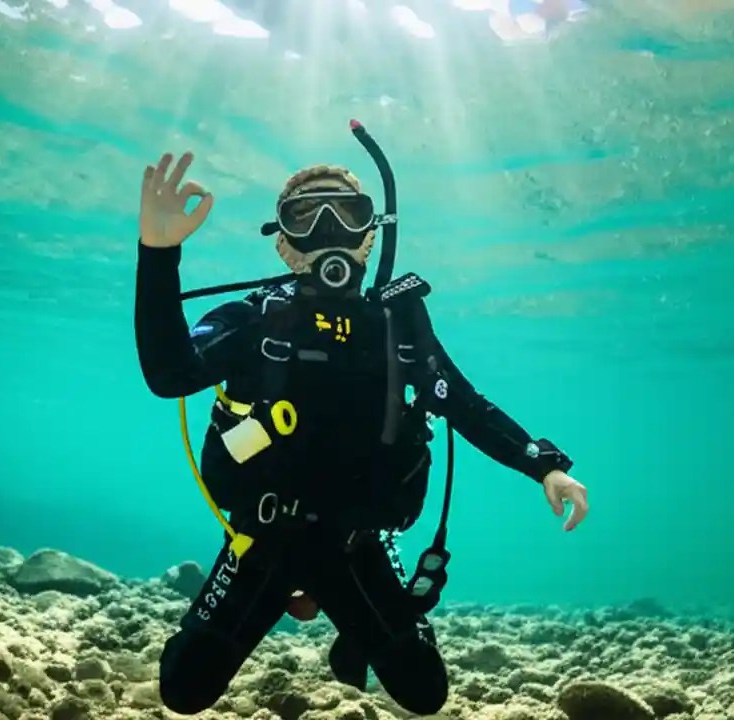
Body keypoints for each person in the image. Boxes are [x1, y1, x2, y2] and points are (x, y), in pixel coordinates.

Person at [133, 125, 589, 716]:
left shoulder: (399, 328)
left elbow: (462, 403)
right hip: (263, 539)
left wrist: (545, 466)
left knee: (425, 695)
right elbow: (170, 376)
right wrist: (158, 253)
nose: (328, 234)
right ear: (284, 246)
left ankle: (354, 629)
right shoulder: (251, 321)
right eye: (306, 218)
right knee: (183, 693)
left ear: (369, 238)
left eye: (347, 215)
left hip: (354, 545)